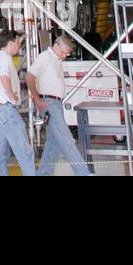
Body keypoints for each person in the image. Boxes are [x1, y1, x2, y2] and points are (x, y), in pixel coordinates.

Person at [27, 34, 92, 176]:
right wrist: (37, 99)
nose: (64, 56)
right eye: (63, 52)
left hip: (56, 103)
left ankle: (43, 173)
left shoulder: (55, 59)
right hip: (49, 103)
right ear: (56, 46)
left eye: (67, 54)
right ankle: (83, 173)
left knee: (53, 144)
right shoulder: (45, 57)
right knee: (66, 138)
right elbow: (29, 76)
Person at [0, 29, 34, 176]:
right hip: (6, 110)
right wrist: (12, 96)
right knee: (25, 151)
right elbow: (4, 78)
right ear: (11, 43)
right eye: (19, 43)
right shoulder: (5, 58)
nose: (20, 46)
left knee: (0, 154)